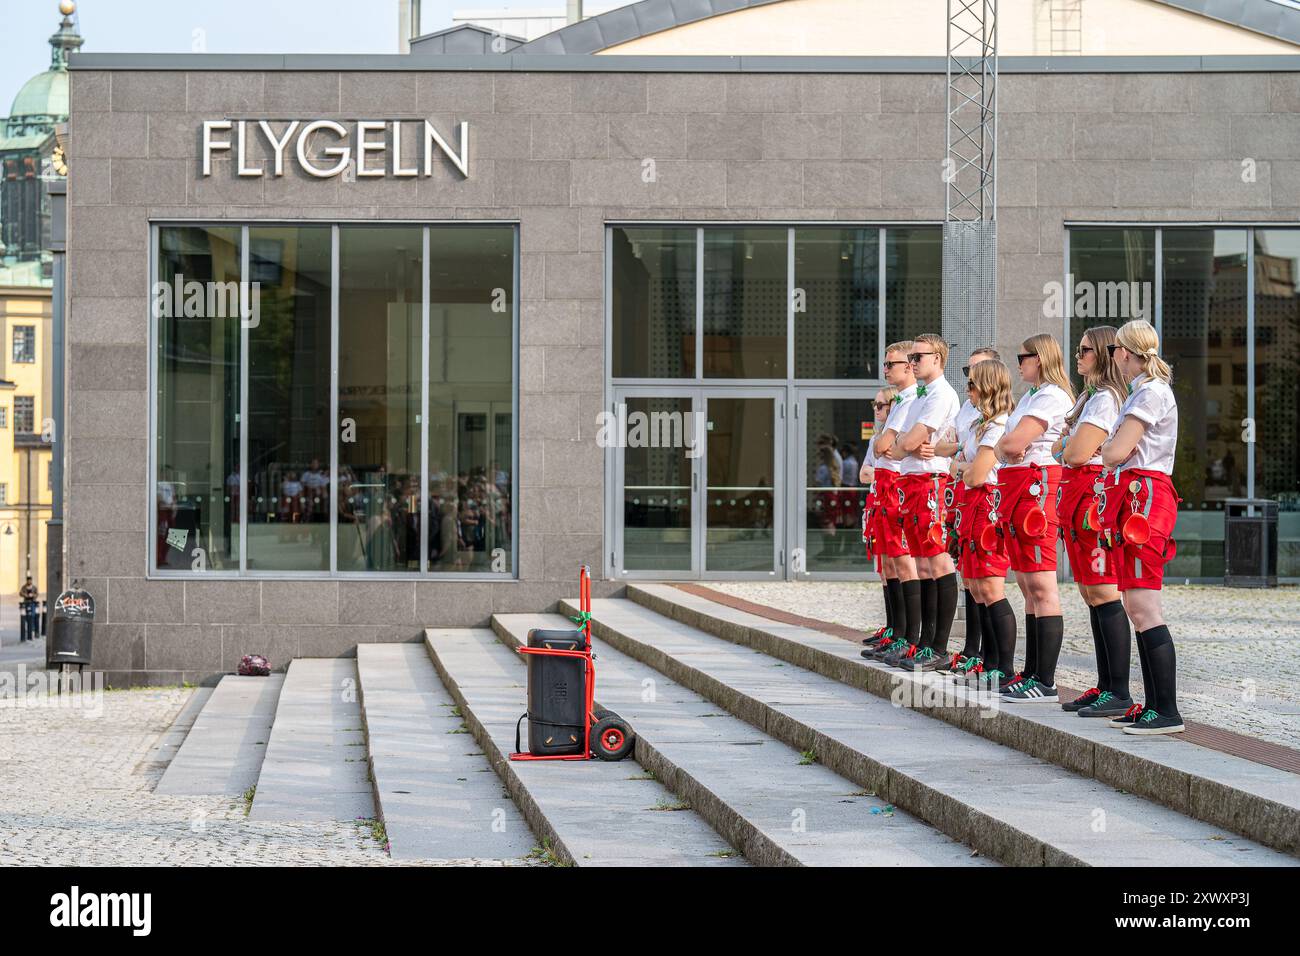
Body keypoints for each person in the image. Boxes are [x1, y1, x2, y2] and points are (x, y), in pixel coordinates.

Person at [1098, 319, 1184, 736]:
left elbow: (1116, 451)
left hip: (1144, 496)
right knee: (1135, 604)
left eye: (1114, 349)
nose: (1112, 356)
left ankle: (1165, 710)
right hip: (1135, 494)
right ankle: (1153, 705)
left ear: (1125, 353)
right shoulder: (1142, 390)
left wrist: (1102, 449)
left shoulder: (1150, 391)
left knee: (1144, 605)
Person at [1052, 326, 1134, 718]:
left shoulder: (1105, 399)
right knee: (1090, 593)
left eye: (1084, 350)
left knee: (1104, 593)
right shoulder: (1089, 397)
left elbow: (1075, 451)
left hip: (1093, 501)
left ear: (1102, 354)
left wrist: (1069, 443)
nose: (1078, 355)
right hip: (1078, 499)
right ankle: (1105, 684)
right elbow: (1064, 447)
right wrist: (1068, 444)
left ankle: (1118, 689)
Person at [994, 333, 1075, 701]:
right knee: (1027, 585)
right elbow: (1003, 447)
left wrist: (1008, 447)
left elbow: (1010, 445)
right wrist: (1006, 447)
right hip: (1018, 484)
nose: (1019, 362)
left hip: (1035, 486)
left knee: (1042, 585)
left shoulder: (1052, 395)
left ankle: (1045, 679)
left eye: (1023, 356)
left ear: (1039, 358)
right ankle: (1031, 672)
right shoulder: (1030, 396)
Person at [888, 333, 961, 672]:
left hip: (931, 480)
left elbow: (907, 441)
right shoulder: (918, 395)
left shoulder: (941, 393)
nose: (913, 363)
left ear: (938, 358)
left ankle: (939, 645)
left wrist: (906, 442)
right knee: (922, 563)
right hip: (912, 480)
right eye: (912, 357)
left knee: (937, 561)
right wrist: (906, 442)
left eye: (919, 357)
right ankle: (926, 642)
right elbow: (896, 445)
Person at [931, 346, 999, 671]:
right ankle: (973, 649)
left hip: (982, 496)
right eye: (967, 374)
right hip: (963, 497)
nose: (970, 381)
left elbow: (972, 467)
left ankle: (989, 656)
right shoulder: (969, 411)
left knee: (985, 580)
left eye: (976, 374)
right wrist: (960, 450)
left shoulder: (996, 415)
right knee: (969, 576)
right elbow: (940, 446)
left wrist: (959, 457)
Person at [952, 359, 1015, 690]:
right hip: (971, 502)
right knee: (976, 585)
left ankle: (1003, 666)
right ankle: (989, 662)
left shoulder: (999, 423)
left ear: (988, 387)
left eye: (973, 384)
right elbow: (963, 462)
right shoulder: (980, 422)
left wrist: (960, 466)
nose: (968, 389)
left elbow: (976, 472)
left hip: (987, 500)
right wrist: (963, 465)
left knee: (990, 586)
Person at [860, 342, 918, 663]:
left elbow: (887, 445)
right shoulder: (901, 401)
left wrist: (889, 443)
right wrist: (887, 443)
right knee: (892, 562)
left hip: (899, 482)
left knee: (906, 562)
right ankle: (898, 632)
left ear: (908, 365)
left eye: (890, 364)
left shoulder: (910, 398)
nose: (886, 369)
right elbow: (881, 445)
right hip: (886, 483)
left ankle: (909, 636)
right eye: (884, 364)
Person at [859, 386, 897, 644]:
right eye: (874, 404)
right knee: (883, 568)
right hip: (877, 502)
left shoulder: (897, 435)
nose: (876, 409)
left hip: (892, 499)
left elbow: (890, 471)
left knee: (898, 567)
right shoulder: (876, 439)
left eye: (881, 405)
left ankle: (901, 631)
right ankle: (892, 626)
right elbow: (864, 474)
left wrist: (878, 472)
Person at [19, 575, 38, 643]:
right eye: (28, 580)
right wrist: (25, 595)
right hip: (26, 603)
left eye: (30, 580)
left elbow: (36, 594)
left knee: (32, 616)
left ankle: (32, 629)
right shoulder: (24, 587)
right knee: (26, 617)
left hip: (32, 603)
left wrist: (33, 595)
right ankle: (29, 629)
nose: (29, 581)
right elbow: (20, 593)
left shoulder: (34, 587)